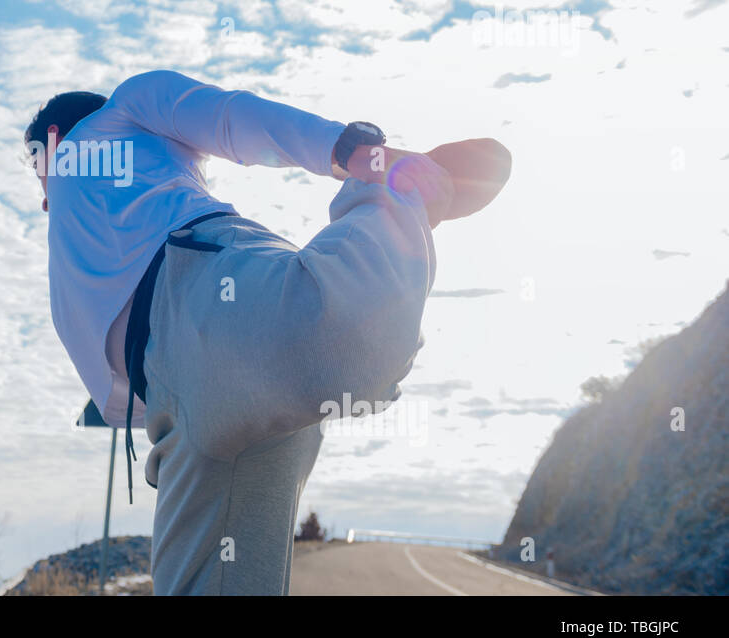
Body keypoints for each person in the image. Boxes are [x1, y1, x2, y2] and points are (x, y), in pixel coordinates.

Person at [25, 69, 506, 595]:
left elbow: (230, 117)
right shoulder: (70, 243)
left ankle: (402, 193)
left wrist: (354, 153)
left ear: (52, 140)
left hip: (209, 295)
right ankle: (395, 215)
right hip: (182, 408)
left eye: (36, 167)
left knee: (340, 338)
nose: (43, 195)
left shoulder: (121, 110)